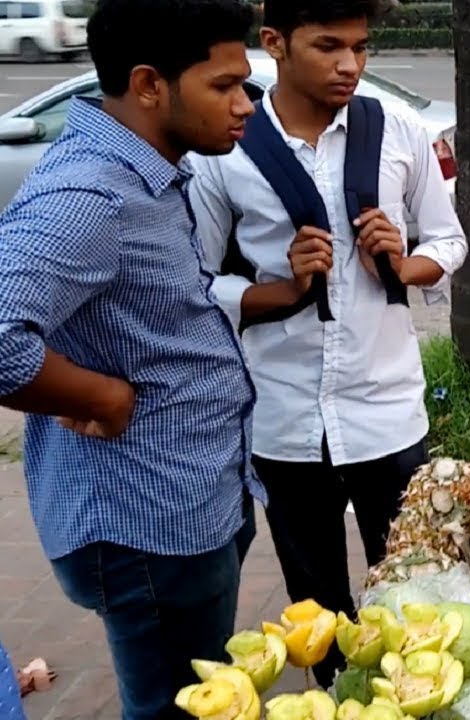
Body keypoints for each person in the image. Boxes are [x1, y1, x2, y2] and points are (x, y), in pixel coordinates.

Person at [189, 0, 467, 688]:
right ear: (275, 43)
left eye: (361, 47)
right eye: (328, 46)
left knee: (412, 597)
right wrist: (275, 289)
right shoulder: (228, 152)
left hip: (389, 407)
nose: (350, 64)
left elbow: (450, 239)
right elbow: (194, 280)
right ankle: (336, 698)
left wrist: (405, 264)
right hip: (285, 418)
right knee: (317, 608)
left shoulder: (397, 131)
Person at [0, 0, 259, 717]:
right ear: (149, 84)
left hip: (188, 503)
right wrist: (97, 397)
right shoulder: (93, 192)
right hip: (149, 526)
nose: (243, 105)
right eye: (224, 86)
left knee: (203, 693)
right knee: (179, 707)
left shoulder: (139, 170)